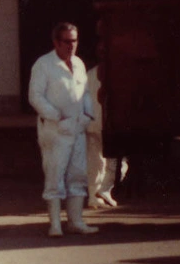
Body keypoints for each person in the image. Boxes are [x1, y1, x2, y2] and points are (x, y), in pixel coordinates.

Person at [28, 22, 98, 237]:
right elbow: (35, 96)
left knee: (77, 175)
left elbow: (85, 92)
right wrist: (56, 116)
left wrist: (87, 114)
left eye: (74, 41)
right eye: (66, 41)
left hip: (77, 129)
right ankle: (55, 225)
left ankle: (76, 222)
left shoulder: (78, 63)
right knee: (54, 175)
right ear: (56, 42)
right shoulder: (44, 64)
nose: (71, 45)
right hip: (55, 131)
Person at [86, 64, 119, 208]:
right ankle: (99, 193)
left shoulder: (116, 71)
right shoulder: (90, 74)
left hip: (102, 123)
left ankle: (101, 192)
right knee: (99, 162)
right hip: (97, 123)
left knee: (106, 161)